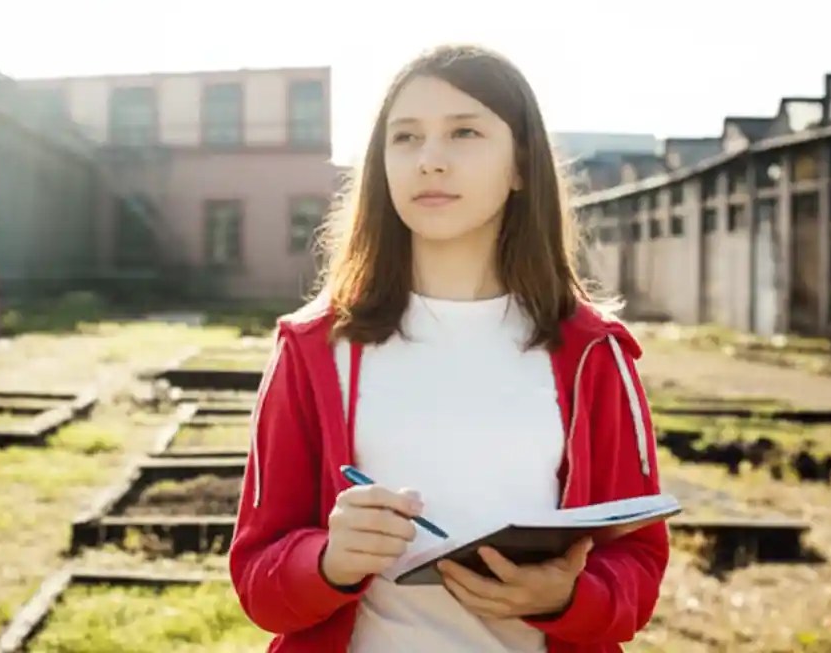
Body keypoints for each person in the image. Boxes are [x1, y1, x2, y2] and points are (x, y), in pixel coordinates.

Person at [228, 44, 670, 653]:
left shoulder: (594, 353)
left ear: (520, 165)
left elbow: (637, 566)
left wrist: (566, 597)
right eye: (405, 138)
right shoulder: (314, 348)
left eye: (464, 132)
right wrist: (328, 561)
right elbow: (257, 580)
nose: (430, 161)